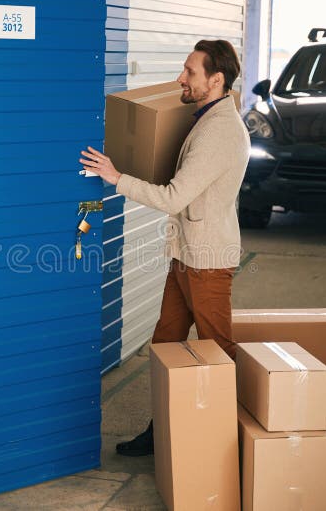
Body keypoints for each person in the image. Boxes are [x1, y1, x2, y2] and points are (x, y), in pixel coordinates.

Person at [80, 39, 250, 456]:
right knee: (167, 345)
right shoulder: (205, 117)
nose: (180, 78)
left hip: (207, 261)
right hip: (188, 255)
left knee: (216, 351)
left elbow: (174, 197)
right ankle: (162, 432)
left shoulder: (220, 130)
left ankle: (231, 446)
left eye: (190, 72)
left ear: (217, 79)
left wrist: (116, 178)